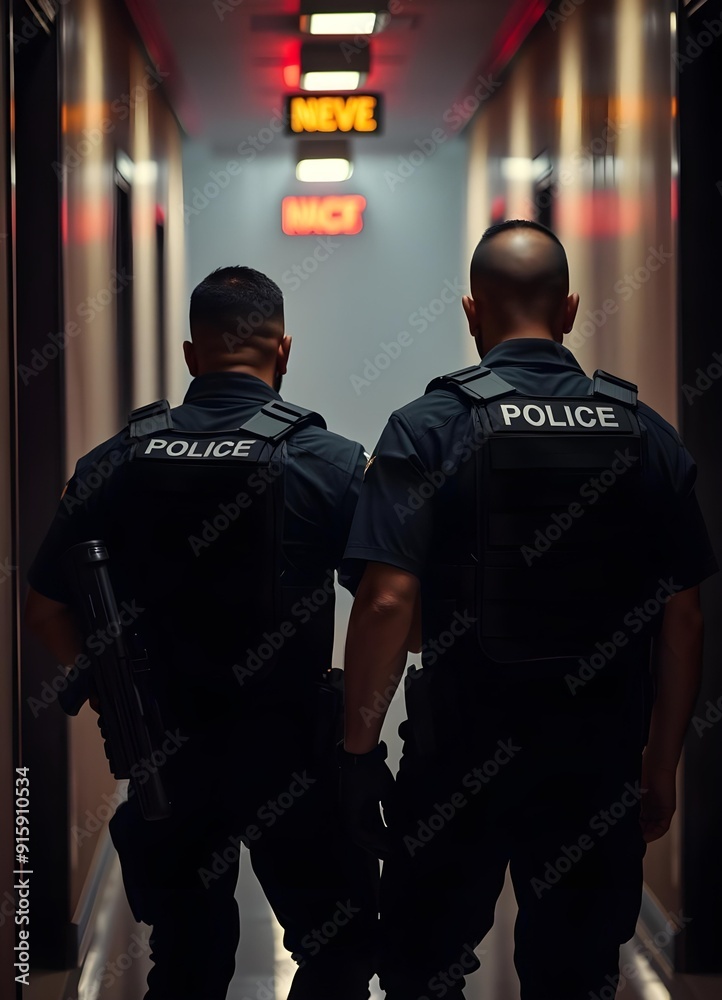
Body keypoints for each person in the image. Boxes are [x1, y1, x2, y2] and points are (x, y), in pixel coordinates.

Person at [339, 220, 717, 1000]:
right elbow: (683, 619)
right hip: (594, 762)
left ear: (472, 312)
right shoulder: (646, 433)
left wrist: (355, 753)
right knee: (576, 977)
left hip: (458, 759)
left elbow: (384, 601)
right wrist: (660, 763)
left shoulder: (429, 427)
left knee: (422, 968)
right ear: (571, 308)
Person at [25, 266, 378, 1000]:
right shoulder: (333, 462)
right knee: (337, 953)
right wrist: (358, 736)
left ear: (192, 355)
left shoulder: (116, 460)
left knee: (186, 958)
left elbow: (45, 606)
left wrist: (109, 695)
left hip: (168, 756)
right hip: (293, 753)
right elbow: (384, 605)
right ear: (285, 350)